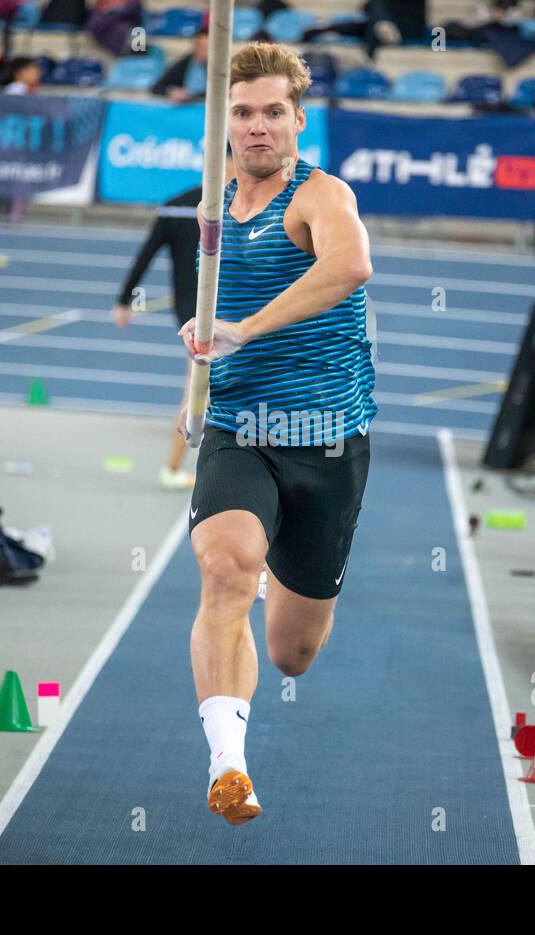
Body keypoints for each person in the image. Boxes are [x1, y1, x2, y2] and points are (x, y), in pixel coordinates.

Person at [176, 41, 377, 824]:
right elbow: (205, 323)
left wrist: (244, 330)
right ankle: (230, 764)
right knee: (226, 569)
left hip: (328, 444)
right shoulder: (210, 203)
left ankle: (274, 572)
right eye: (242, 113)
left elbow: (351, 267)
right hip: (239, 428)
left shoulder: (319, 197)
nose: (257, 128)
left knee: (294, 651)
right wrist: (195, 375)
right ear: (222, 121)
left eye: (272, 113)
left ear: (297, 120)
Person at [113, 153, 237, 491]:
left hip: (215, 309)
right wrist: (124, 298)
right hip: (200, 313)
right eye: (233, 165)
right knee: (197, 390)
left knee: (208, 388)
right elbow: (147, 251)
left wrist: (125, 300)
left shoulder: (237, 207)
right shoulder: (186, 207)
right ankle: (172, 467)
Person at [151, 11, 207, 103]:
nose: (204, 52)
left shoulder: (220, 69)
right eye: (201, 47)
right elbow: (157, 87)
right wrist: (171, 92)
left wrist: (192, 95)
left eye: (207, 48)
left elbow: (225, 92)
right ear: (194, 46)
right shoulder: (183, 63)